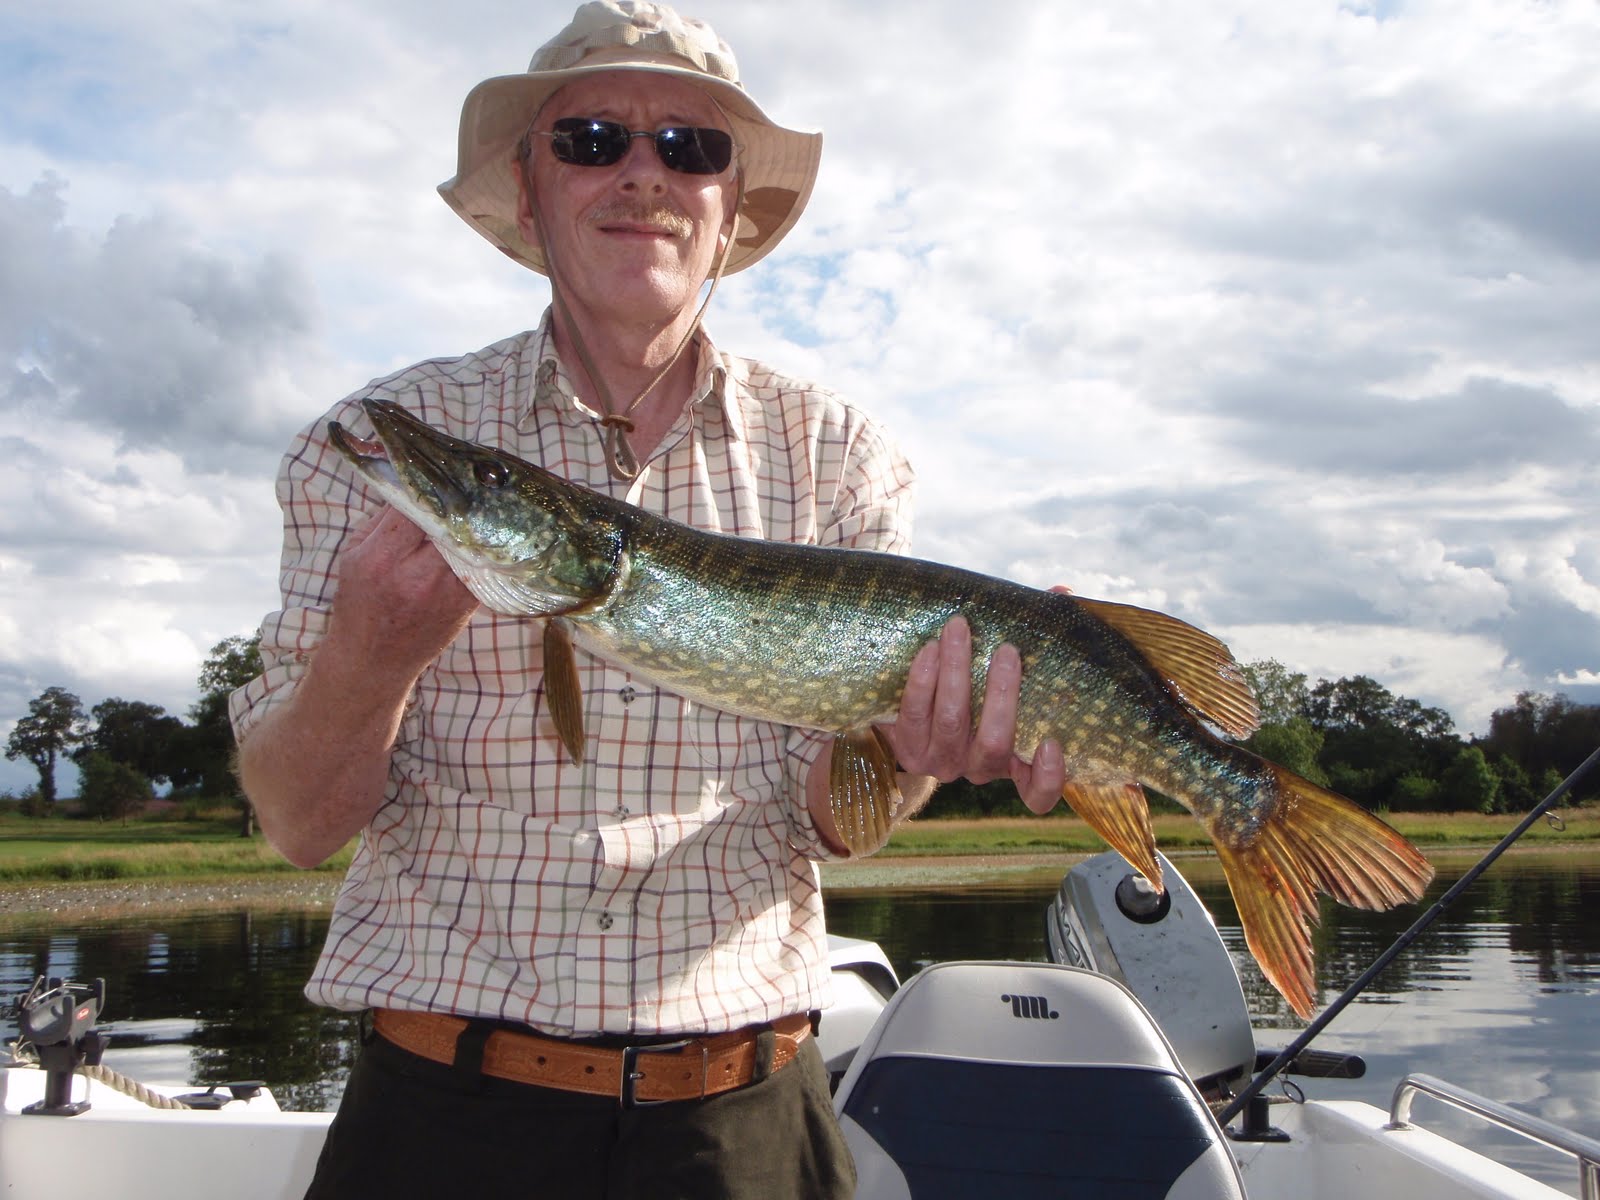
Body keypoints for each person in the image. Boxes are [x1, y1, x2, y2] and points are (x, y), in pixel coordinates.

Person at [231, 4, 1066, 1196]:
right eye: (590, 139)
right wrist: (370, 654)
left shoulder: (838, 456)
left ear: (731, 216)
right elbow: (297, 824)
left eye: (690, 149)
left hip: (739, 1115)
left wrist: (910, 741)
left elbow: (840, 819)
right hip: (444, 1114)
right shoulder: (366, 445)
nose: (643, 174)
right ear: (527, 194)